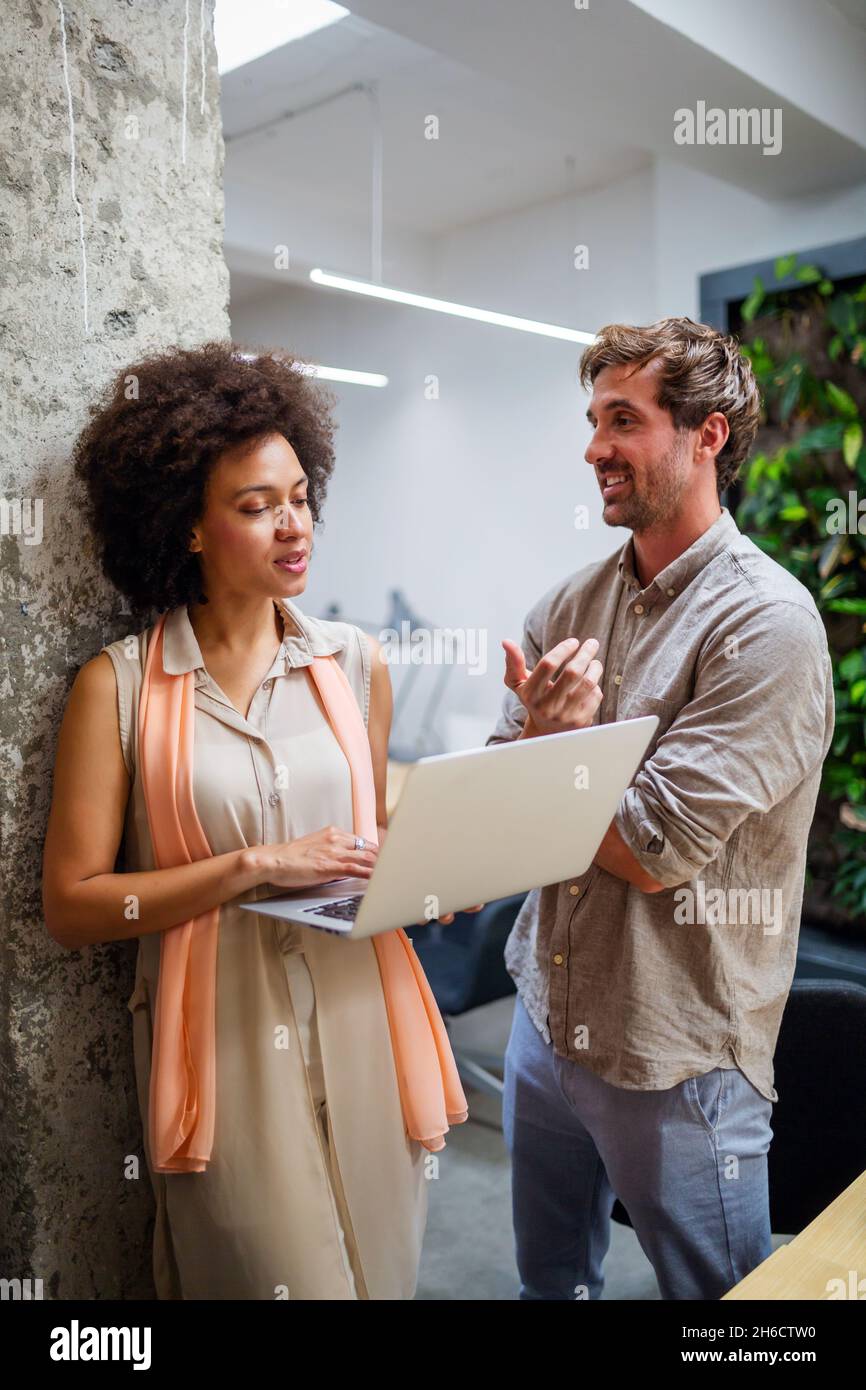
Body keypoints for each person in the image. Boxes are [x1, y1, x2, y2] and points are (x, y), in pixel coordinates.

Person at [41, 340, 466, 1300]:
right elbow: (71, 906)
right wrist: (254, 865)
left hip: (368, 1022)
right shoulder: (116, 692)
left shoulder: (356, 663)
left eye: (300, 497)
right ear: (187, 528)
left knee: (384, 1282)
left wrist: (426, 874)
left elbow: (370, 830)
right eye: (256, 506)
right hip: (226, 1050)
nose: (294, 526)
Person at [486, 316, 835, 1300]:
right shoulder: (563, 607)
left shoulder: (763, 625)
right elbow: (499, 790)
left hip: (673, 1051)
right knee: (549, 1283)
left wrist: (551, 750)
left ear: (708, 433)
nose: (595, 447)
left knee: (726, 1305)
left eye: (623, 419)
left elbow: (650, 847)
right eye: (593, 419)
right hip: (545, 1012)